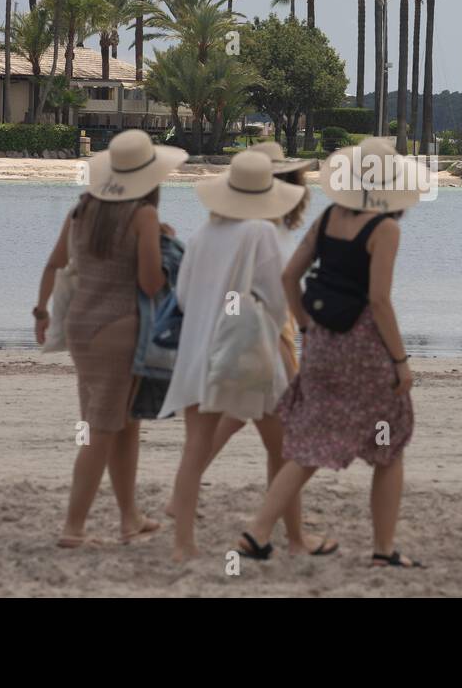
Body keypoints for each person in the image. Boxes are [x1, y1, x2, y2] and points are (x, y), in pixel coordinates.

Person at [236, 137, 429, 569]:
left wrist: (306, 326)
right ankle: (382, 550)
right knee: (390, 443)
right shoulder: (385, 229)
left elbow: (290, 277)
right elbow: (379, 300)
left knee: (310, 445)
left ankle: (258, 530)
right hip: (364, 349)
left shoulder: (328, 218)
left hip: (321, 344)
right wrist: (400, 360)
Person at [162, 141, 336, 556]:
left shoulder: (206, 231)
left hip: (198, 350)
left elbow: (183, 296)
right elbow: (278, 300)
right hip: (252, 357)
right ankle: (292, 539)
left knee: (195, 451)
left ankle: (183, 544)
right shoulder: (261, 231)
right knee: (284, 448)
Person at [35, 129, 187, 548]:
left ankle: (129, 518)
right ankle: (73, 528)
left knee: (124, 424)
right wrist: (161, 245)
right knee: (102, 430)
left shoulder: (82, 210)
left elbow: (54, 265)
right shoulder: (143, 216)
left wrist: (40, 312)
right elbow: (151, 283)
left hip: (82, 327)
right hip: (120, 330)